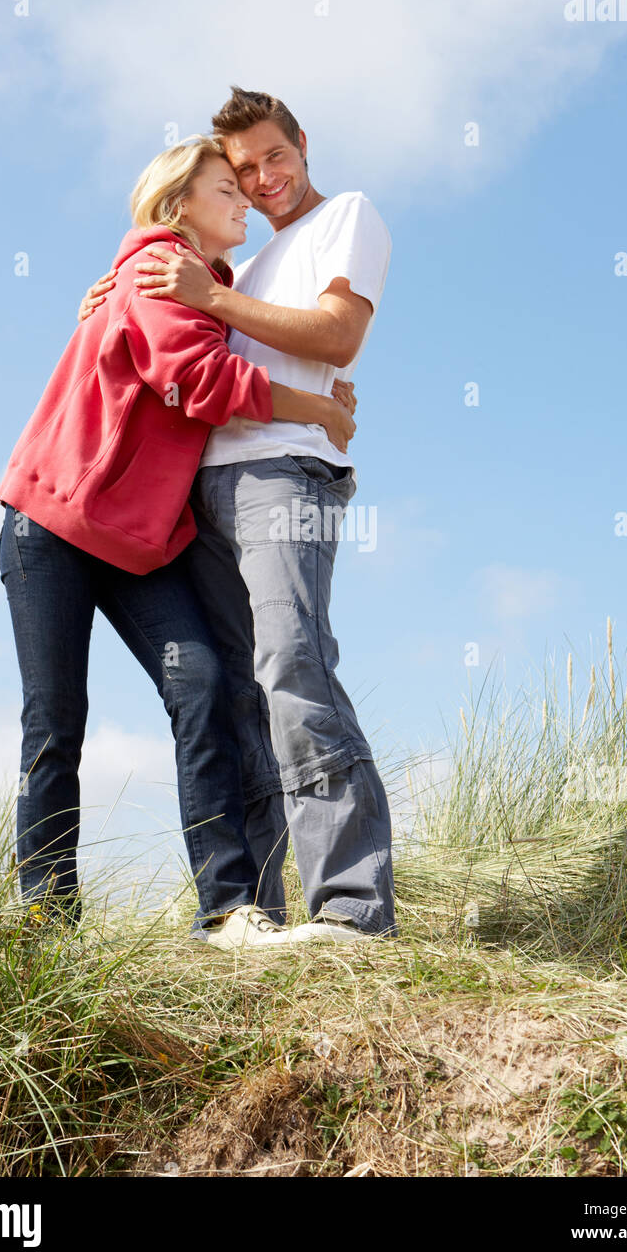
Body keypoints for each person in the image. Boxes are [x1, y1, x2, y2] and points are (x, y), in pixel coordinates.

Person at [0, 134, 356, 951]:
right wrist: (319, 408)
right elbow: (198, 382)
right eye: (225, 187)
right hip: (51, 527)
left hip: (136, 544)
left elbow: (215, 354)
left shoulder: (202, 286)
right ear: (177, 202)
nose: (243, 199)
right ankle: (43, 926)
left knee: (198, 685)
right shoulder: (157, 266)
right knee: (56, 722)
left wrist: (314, 385)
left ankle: (229, 911)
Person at [78, 89, 397, 942]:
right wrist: (112, 300)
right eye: (244, 171)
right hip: (204, 488)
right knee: (241, 696)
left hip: (285, 475)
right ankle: (256, 913)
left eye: (274, 157)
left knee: (294, 663)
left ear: (303, 143)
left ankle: (354, 909)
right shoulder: (239, 265)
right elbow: (181, 355)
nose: (262, 180)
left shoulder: (348, 219)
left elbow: (335, 336)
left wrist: (211, 301)